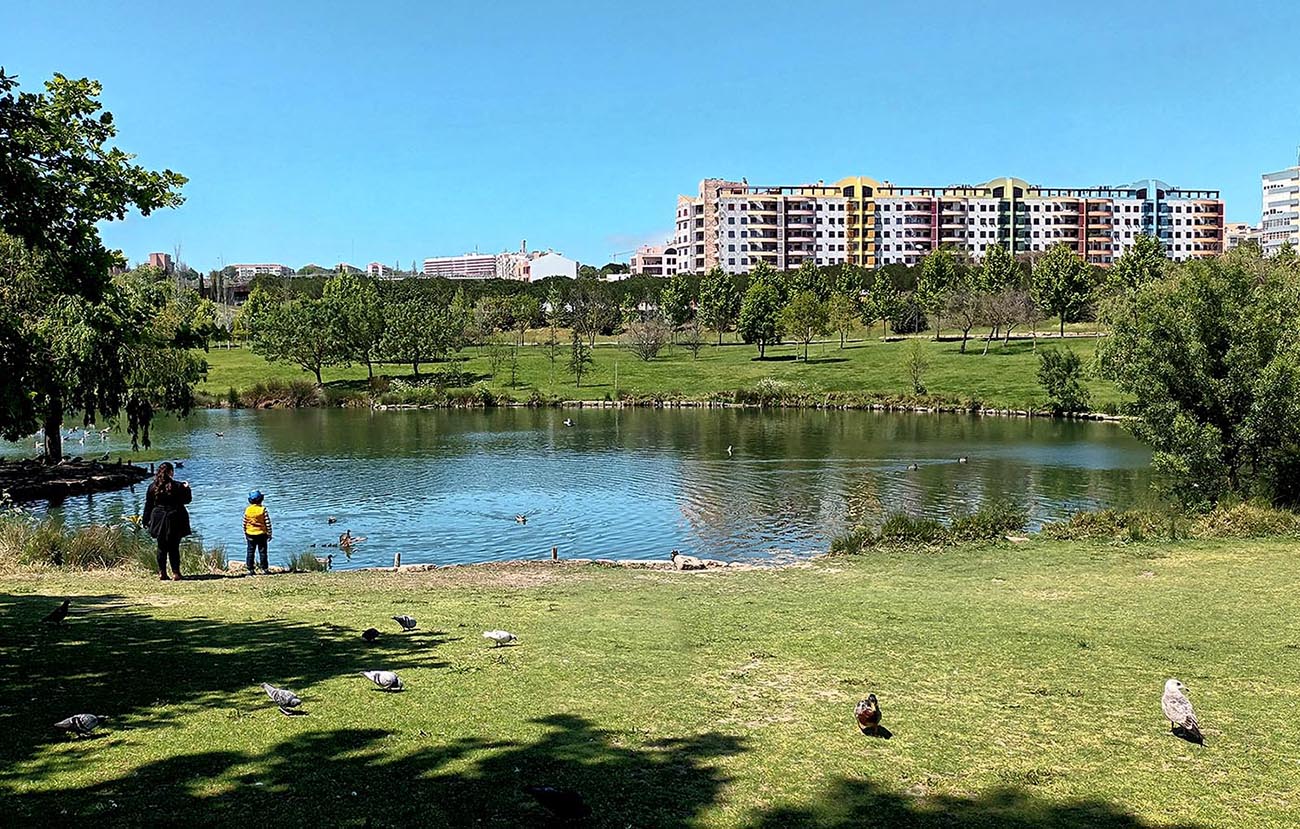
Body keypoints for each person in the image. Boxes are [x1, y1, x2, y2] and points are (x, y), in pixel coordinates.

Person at [143, 462, 193, 581]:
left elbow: (148, 505)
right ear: (171, 472)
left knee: (161, 546)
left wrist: (146, 520)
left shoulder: (152, 487)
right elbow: (187, 500)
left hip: (158, 517)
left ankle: (162, 572)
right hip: (175, 516)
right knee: (174, 546)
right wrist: (187, 488)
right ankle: (176, 573)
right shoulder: (178, 486)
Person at [243, 490, 272, 575]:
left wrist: (245, 532)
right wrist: (269, 533)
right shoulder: (263, 510)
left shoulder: (247, 510)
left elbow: (245, 523)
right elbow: (267, 523)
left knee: (250, 551)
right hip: (261, 534)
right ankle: (265, 569)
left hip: (250, 533)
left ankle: (250, 569)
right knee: (263, 552)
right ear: (261, 499)